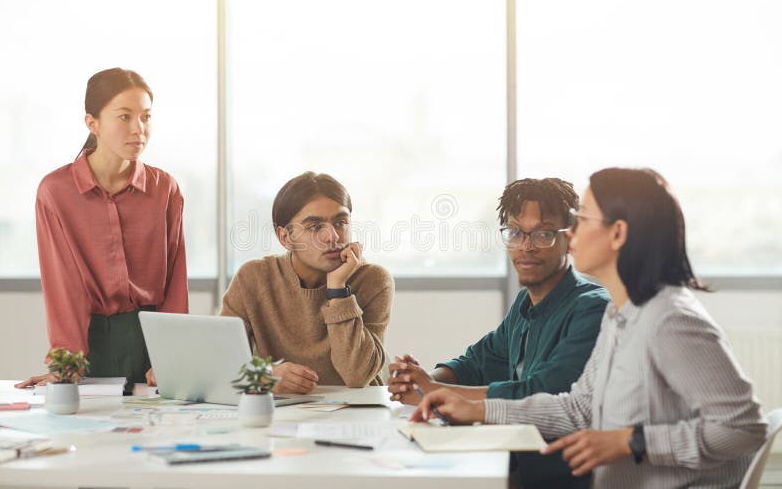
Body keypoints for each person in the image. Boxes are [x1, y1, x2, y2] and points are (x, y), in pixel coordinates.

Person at [412, 167, 767, 488]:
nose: (571, 232)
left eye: (581, 220)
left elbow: (744, 429)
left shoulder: (670, 319)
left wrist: (631, 441)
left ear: (617, 233)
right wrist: (477, 408)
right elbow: (578, 409)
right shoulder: (621, 314)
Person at [388, 177, 609, 487]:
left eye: (543, 234)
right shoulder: (525, 302)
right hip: (515, 467)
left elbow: (543, 394)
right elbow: (479, 361)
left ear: (569, 238)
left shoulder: (592, 308)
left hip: (561, 479)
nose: (526, 246)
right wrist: (423, 379)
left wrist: (434, 393)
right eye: (516, 232)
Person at [16, 68, 188, 389]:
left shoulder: (165, 188)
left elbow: (175, 279)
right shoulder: (56, 192)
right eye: (125, 117)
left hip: (153, 346)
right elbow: (62, 284)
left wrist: (171, 356)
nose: (139, 129)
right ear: (92, 123)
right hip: (90, 347)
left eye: (146, 117)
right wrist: (67, 362)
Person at [220, 172, 393, 393]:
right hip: (284, 413)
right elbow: (222, 364)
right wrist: (265, 377)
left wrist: (338, 290)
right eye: (314, 226)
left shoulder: (374, 280)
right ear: (285, 238)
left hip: (357, 411)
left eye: (341, 222)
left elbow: (356, 376)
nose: (331, 236)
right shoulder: (253, 278)